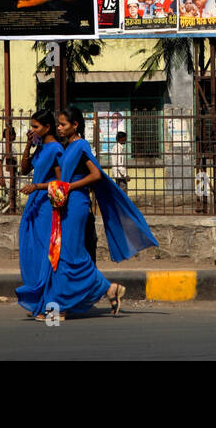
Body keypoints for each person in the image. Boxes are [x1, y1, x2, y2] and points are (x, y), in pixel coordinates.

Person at [39, 108, 158, 318]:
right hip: (65, 204)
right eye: (58, 124)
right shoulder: (68, 148)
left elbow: (95, 175)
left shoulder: (82, 146)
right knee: (67, 254)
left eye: (63, 124)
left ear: (75, 125)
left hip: (77, 205)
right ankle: (108, 289)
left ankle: (61, 308)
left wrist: (70, 187)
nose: (58, 127)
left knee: (67, 254)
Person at [16, 110, 65, 316]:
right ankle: (39, 299)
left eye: (36, 127)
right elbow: (25, 169)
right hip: (34, 205)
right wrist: (28, 144)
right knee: (33, 250)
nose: (32, 130)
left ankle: (50, 305)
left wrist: (37, 187)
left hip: (47, 206)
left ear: (47, 127)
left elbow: (61, 182)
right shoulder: (41, 148)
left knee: (47, 253)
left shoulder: (56, 149)